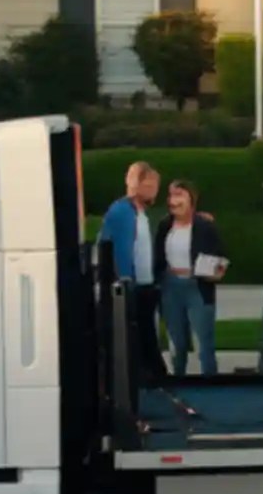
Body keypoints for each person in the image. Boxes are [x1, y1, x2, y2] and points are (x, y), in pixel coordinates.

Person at [97, 161, 168, 382]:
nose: (154, 189)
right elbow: (119, 248)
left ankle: (152, 375)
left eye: (155, 184)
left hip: (145, 285)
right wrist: (126, 281)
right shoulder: (122, 211)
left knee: (145, 334)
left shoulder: (140, 213)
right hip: (132, 286)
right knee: (139, 335)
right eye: (149, 183)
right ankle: (150, 376)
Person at [153, 179, 227, 377]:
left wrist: (217, 272)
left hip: (198, 286)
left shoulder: (205, 226)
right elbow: (156, 256)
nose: (174, 200)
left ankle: (210, 385)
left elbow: (220, 256)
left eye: (179, 195)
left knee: (204, 344)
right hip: (171, 287)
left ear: (191, 199)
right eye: (171, 195)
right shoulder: (164, 225)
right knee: (177, 343)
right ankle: (178, 382)